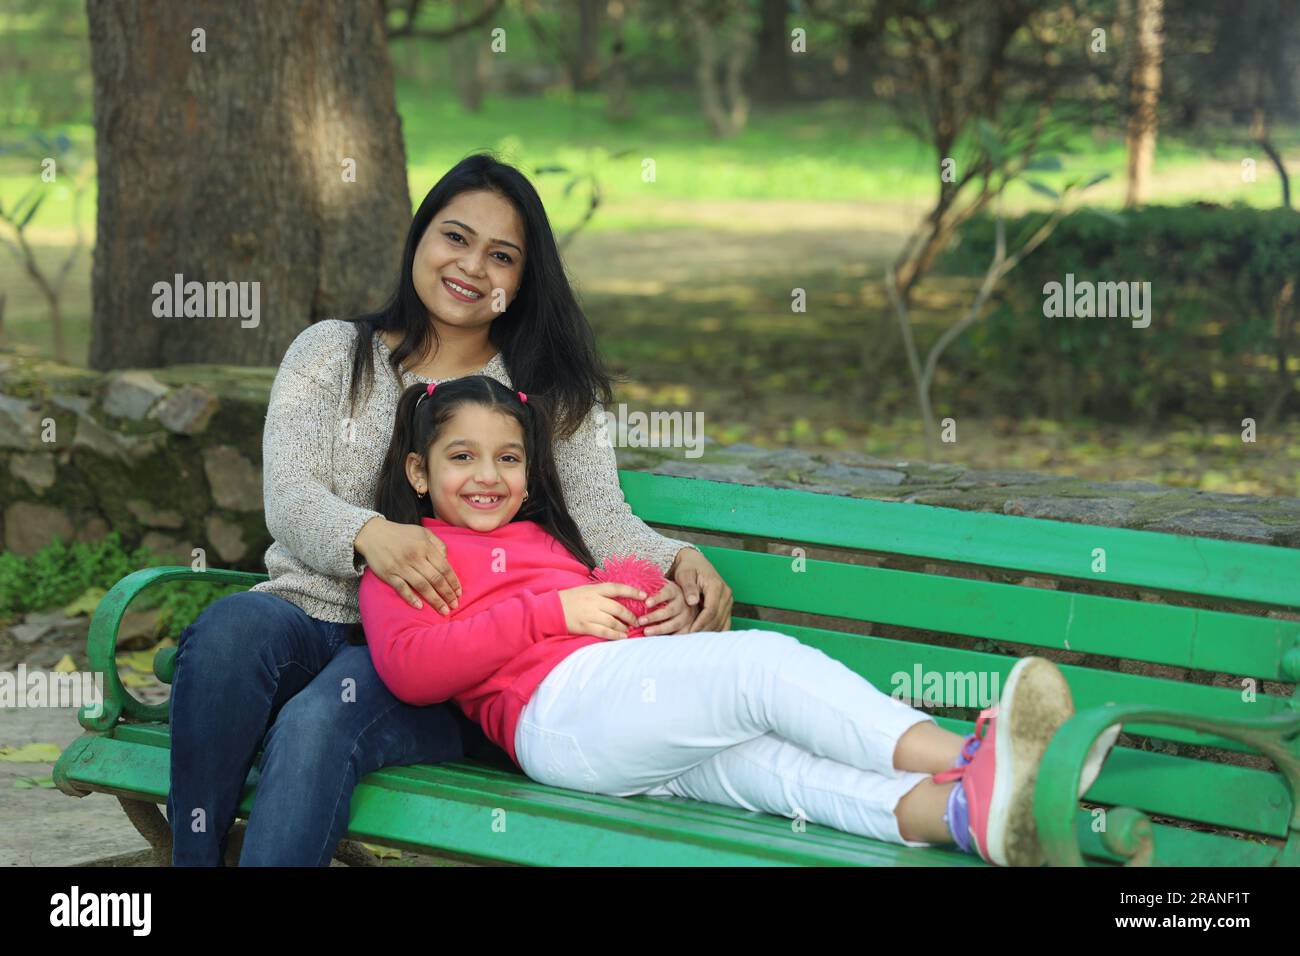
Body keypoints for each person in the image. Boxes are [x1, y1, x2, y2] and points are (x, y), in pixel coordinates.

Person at [166, 153, 732, 865]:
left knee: (323, 717)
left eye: (502, 256)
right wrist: (372, 534)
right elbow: (290, 496)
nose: (471, 266)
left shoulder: (544, 391)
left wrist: (679, 559)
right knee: (229, 629)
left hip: (438, 644)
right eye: (455, 237)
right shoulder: (333, 353)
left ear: (523, 281)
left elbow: (599, 519)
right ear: (420, 238)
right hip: (305, 618)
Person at [359, 375, 1118, 865]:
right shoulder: (409, 554)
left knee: (779, 772)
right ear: (420, 472)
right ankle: (982, 755)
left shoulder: (545, 538)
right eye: (463, 457)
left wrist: (656, 614)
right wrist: (549, 611)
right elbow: (412, 670)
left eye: (509, 459)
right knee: (760, 667)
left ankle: (964, 814)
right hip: (557, 712)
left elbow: (610, 612)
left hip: (614, 724)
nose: (488, 476)